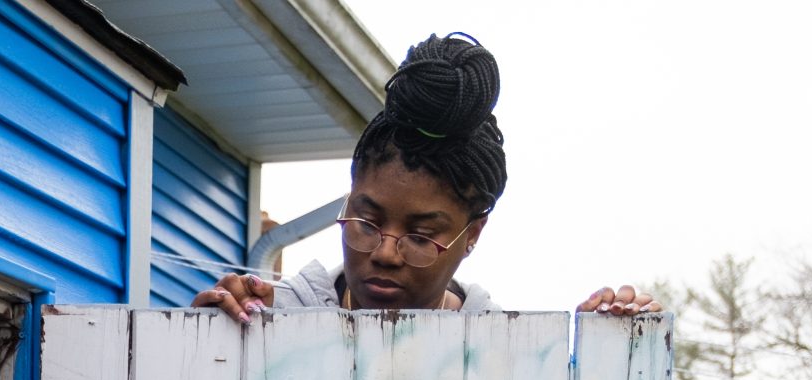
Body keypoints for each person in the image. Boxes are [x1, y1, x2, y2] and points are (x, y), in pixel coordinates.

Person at [191, 33, 660, 323]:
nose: (385, 253)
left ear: (472, 234)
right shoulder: (273, 316)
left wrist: (608, 354)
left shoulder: (505, 351)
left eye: (420, 236)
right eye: (367, 222)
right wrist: (202, 339)